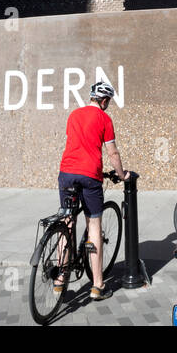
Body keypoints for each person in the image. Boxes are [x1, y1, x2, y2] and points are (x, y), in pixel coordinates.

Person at [55, 80, 127, 301]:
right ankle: (97, 285)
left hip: (67, 172)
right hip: (89, 176)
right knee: (93, 225)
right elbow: (112, 153)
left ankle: (59, 280)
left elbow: (76, 144)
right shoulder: (105, 119)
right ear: (104, 100)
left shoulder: (74, 115)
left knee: (67, 222)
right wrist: (122, 175)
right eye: (109, 101)